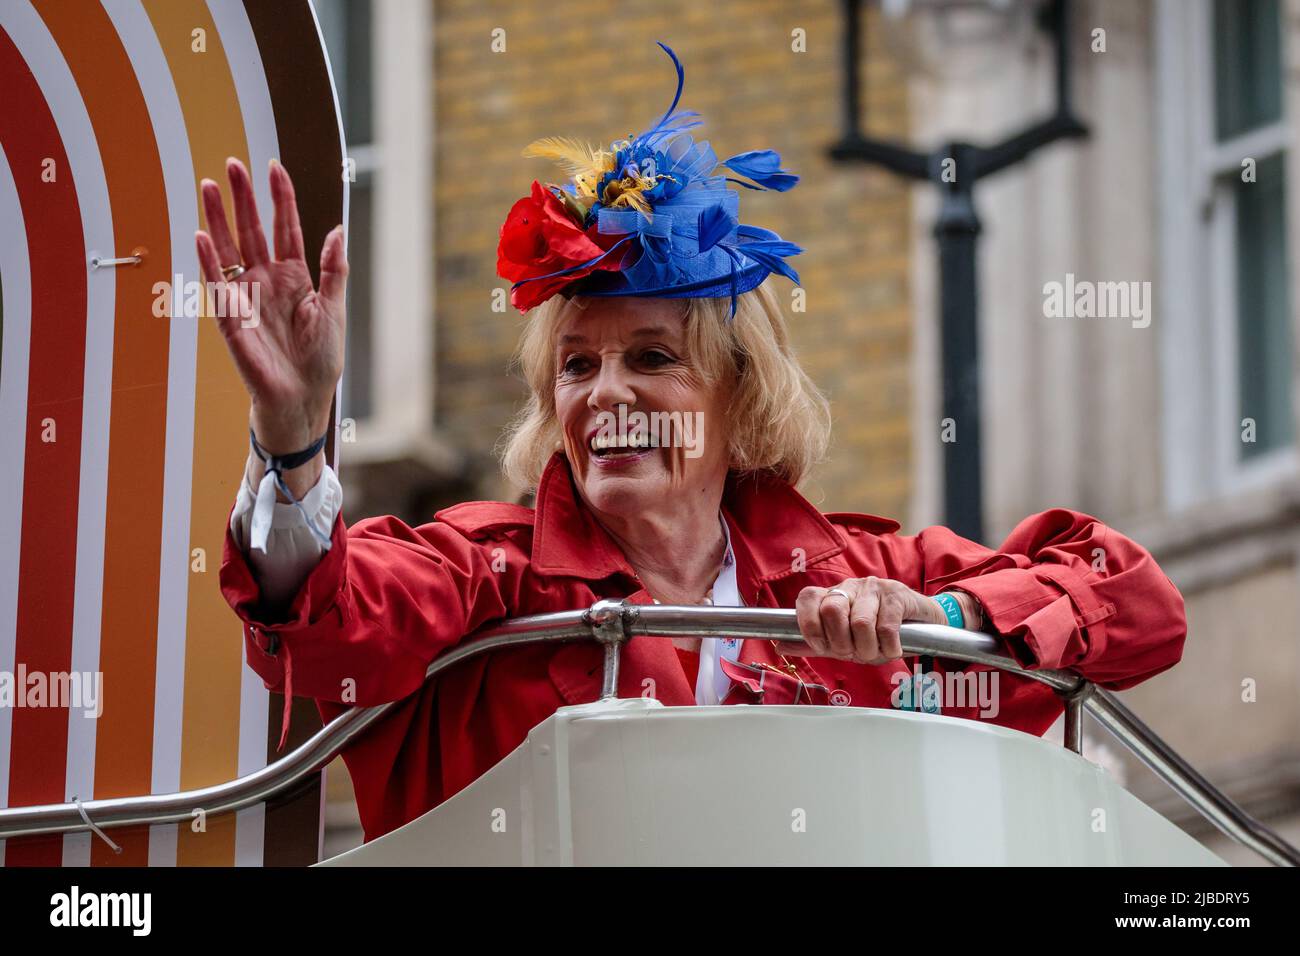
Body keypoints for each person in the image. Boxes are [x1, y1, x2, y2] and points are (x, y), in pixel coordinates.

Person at [204, 44, 1185, 842]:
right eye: (578, 365)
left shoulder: (857, 581)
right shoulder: (485, 577)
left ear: (737, 394)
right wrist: (292, 438)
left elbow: (1137, 603)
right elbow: (319, 622)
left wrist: (940, 611)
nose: (606, 390)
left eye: (651, 355)